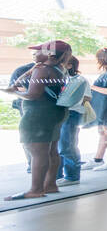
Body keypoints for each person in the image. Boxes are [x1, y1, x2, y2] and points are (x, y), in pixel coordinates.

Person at [6, 40, 70, 200]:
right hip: (55, 113)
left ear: (50, 54)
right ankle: (50, 185)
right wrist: (29, 72)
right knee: (51, 150)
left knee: (37, 151)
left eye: (38, 51)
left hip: (39, 115)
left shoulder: (42, 70)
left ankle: (35, 189)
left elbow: (33, 95)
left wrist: (14, 93)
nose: (34, 54)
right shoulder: (59, 68)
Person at [55, 55, 90, 184]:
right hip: (61, 114)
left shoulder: (79, 80)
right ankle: (57, 175)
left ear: (70, 65)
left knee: (67, 145)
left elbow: (87, 98)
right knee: (58, 146)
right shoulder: (62, 78)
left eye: (61, 63)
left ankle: (72, 176)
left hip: (71, 114)